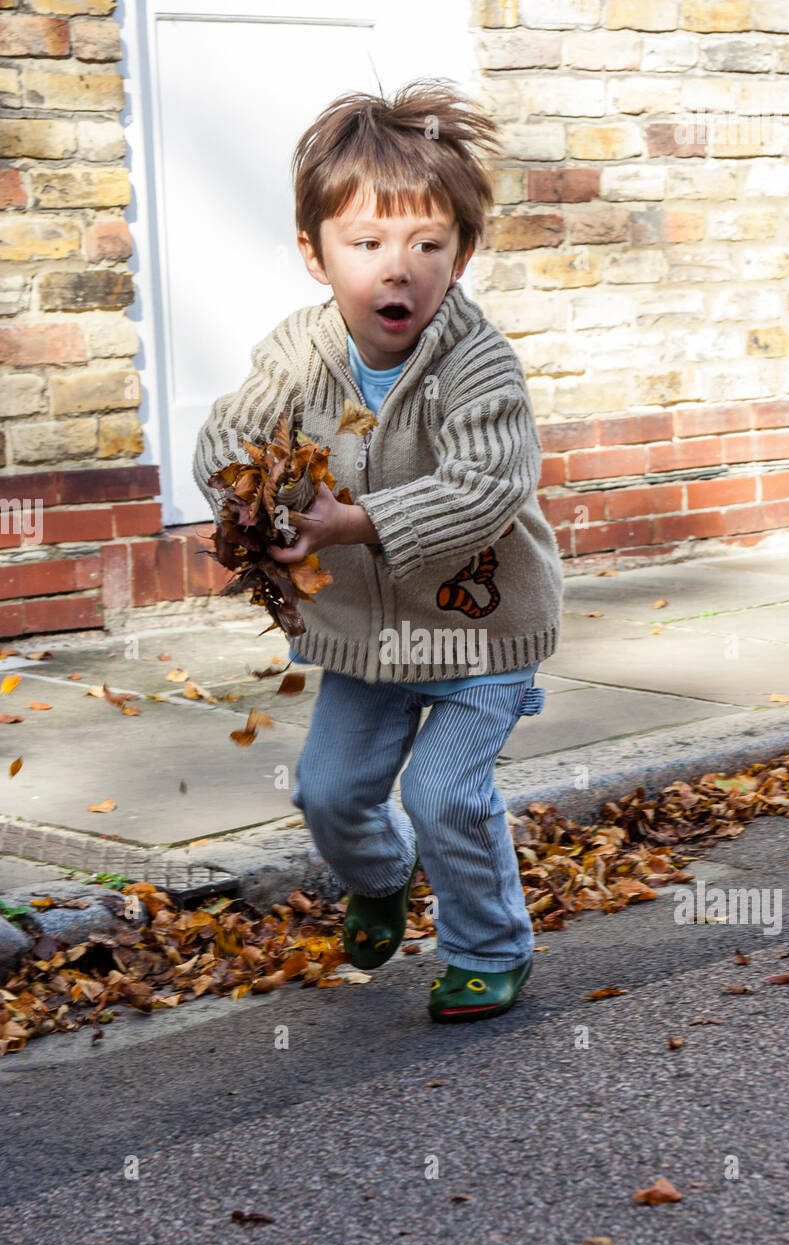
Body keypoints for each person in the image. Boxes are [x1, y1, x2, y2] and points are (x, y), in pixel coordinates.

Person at [193, 78, 563, 1022]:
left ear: (462, 255)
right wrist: (246, 495)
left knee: (443, 793)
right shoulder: (299, 352)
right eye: (365, 244)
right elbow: (230, 434)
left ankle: (489, 948)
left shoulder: (474, 364)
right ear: (316, 256)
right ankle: (383, 876)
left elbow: (487, 487)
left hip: (480, 631)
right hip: (368, 638)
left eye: (426, 246)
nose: (396, 270)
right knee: (328, 792)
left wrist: (355, 523)